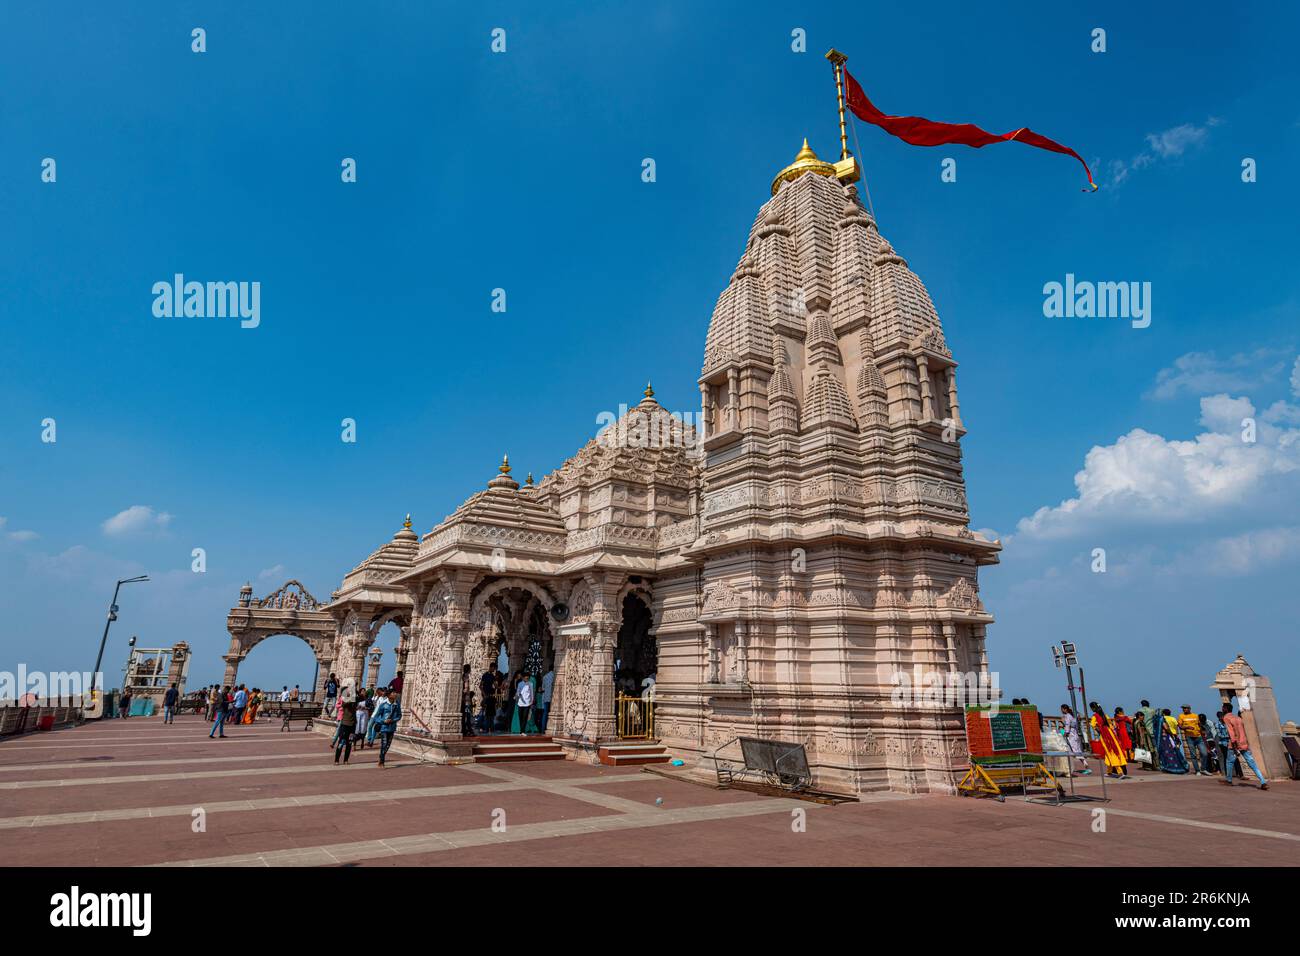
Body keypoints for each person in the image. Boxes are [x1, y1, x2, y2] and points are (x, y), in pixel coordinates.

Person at [1220, 702, 1268, 790]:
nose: (1222, 709)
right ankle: (1263, 782)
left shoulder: (1226, 718)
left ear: (1226, 709)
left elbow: (1231, 733)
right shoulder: (1238, 718)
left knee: (1229, 762)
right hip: (1244, 743)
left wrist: (1234, 746)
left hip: (1234, 744)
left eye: (1223, 708)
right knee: (1252, 764)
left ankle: (1229, 780)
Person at [1089, 702, 1128, 778]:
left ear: (1093, 708)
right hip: (1111, 735)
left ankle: (1120, 772)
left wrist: (1099, 730)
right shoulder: (1104, 715)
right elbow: (1111, 725)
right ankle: (1109, 771)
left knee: (1111, 752)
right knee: (1110, 752)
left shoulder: (1095, 717)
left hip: (1105, 736)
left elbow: (1093, 725)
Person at [371, 689, 401, 768]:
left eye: (395, 693)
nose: (395, 694)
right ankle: (382, 762)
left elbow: (399, 715)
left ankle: (381, 757)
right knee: (384, 744)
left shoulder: (397, 704)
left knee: (388, 745)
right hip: (384, 728)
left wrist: (393, 720)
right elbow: (376, 717)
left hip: (392, 727)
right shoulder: (383, 705)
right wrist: (383, 721)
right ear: (389, 695)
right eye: (393, 693)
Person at [1156, 708, 1189, 774]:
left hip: (1161, 738)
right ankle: (1177, 765)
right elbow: (1175, 727)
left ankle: (1166, 766)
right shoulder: (1172, 719)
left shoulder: (1157, 720)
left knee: (1165, 753)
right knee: (1174, 752)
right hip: (1171, 736)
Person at [1177, 704, 1207, 775]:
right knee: (1193, 755)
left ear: (1189, 709)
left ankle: (1203, 769)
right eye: (1183, 708)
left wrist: (1202, 730)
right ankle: (1197, 771)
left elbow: (1199, 724)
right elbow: (1180, 726)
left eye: (1185, 708)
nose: (1184, 709)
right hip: (1189, 737)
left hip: (1198, 736)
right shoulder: (1181, 716)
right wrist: (1187, 727)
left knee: (1204, 753)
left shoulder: (1195, 715)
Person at [1060, 705, 1090, 775]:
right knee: (1076, 750)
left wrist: (1065, 733)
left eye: (1062, 709)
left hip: (1071, 735)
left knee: (1075, 751)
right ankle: (1069, 768)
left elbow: (1067, 725)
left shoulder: (1068, 716)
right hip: (1075, 734)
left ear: (1065, 709)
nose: (1061, 711)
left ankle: (1086, 766)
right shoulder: (1073, 716)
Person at [335, 697, 357, 764]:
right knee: (341, 743)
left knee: (349, 743)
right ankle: (336, 760)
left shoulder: (355, 701)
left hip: (352, 725)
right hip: (344, 725)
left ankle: (346, 760)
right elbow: (344, 704)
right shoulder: (345, 701)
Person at [479, 666, 499, 736]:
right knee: (484, 712)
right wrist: (484, 694)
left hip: (491, 695)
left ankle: (491, 727)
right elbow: (480, 686)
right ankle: (483, 727)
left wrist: (496, 681)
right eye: (493, 668)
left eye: (495, 669)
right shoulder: (485, 675)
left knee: (491, 712)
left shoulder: (493, 676)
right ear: (490, 667)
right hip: (485, 695)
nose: (494, 670)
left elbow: (496, 686)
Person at [538, 667, 554, 732]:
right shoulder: (555, 676)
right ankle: (551, 728)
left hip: (546, 697)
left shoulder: (545, 677)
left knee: (545, 713)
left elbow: (543, 689)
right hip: (553, 698)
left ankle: (543, 729)